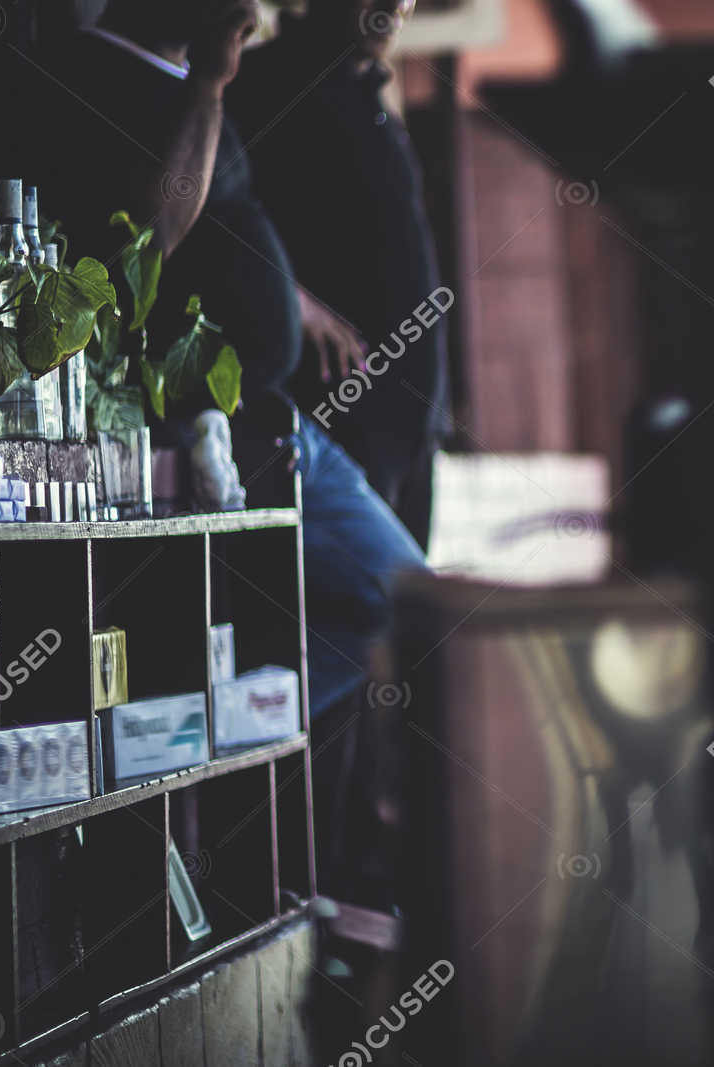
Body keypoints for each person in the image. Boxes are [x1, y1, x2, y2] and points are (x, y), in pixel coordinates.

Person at [31, 0, 427, 723]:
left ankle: (226, 730)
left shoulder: (177, 77)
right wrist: (211, 82)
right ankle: (201, 737)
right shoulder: (86, 72)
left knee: (405, 601)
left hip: (269, 417)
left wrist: (292, 299)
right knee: (402, 595)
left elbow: (220, 216)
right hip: (195, 432)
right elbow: (139, 248)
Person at [225, 0, 448, 550]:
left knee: (404, 618)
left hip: (411, 429)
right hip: (333, 417)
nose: (396, 7)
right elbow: (213, 214)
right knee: (367, 609)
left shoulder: (370, 95)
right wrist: (289, 297)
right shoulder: (259, 83)